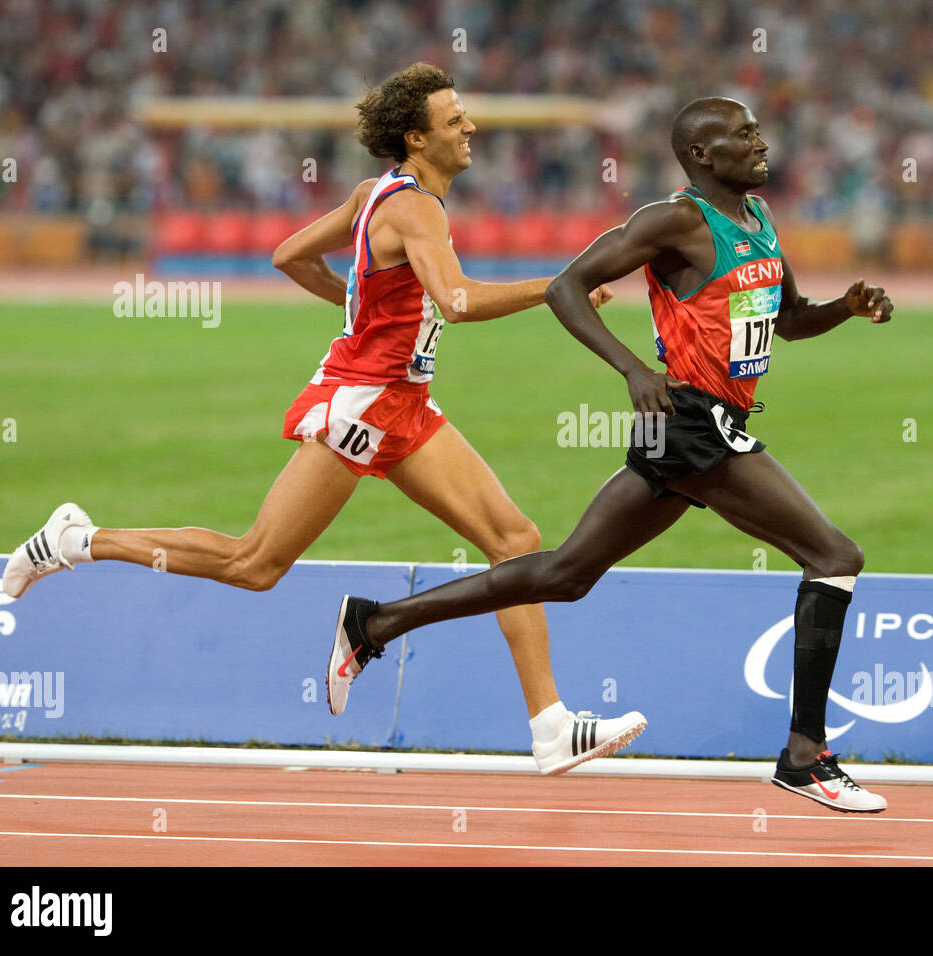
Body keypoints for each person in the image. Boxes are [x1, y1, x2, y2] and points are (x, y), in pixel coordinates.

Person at [0, 63, 646, 776]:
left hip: (403, 403)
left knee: (515, 538)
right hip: (361, 407)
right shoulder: (412, 208)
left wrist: (360, 309)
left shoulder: (377, 195)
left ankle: (551, 727)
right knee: (256, 563)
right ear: (415, 137)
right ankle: (78, 538)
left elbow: (288, 256)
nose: (471, 127)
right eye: (454, 118)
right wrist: (557, 288)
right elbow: (457, 302)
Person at [329, 96, 895, 812]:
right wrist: (631, 369)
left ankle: (375, 623)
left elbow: (785, 322)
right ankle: (804, 756)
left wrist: (843, 308)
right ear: (702, 157)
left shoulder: (758, 221)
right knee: (835, 557)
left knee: (566, 574)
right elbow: (567, 285)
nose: (760, 142)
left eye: (757, 131)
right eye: (741, 135)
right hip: (690, 422)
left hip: (696, 426)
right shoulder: (675, 221)